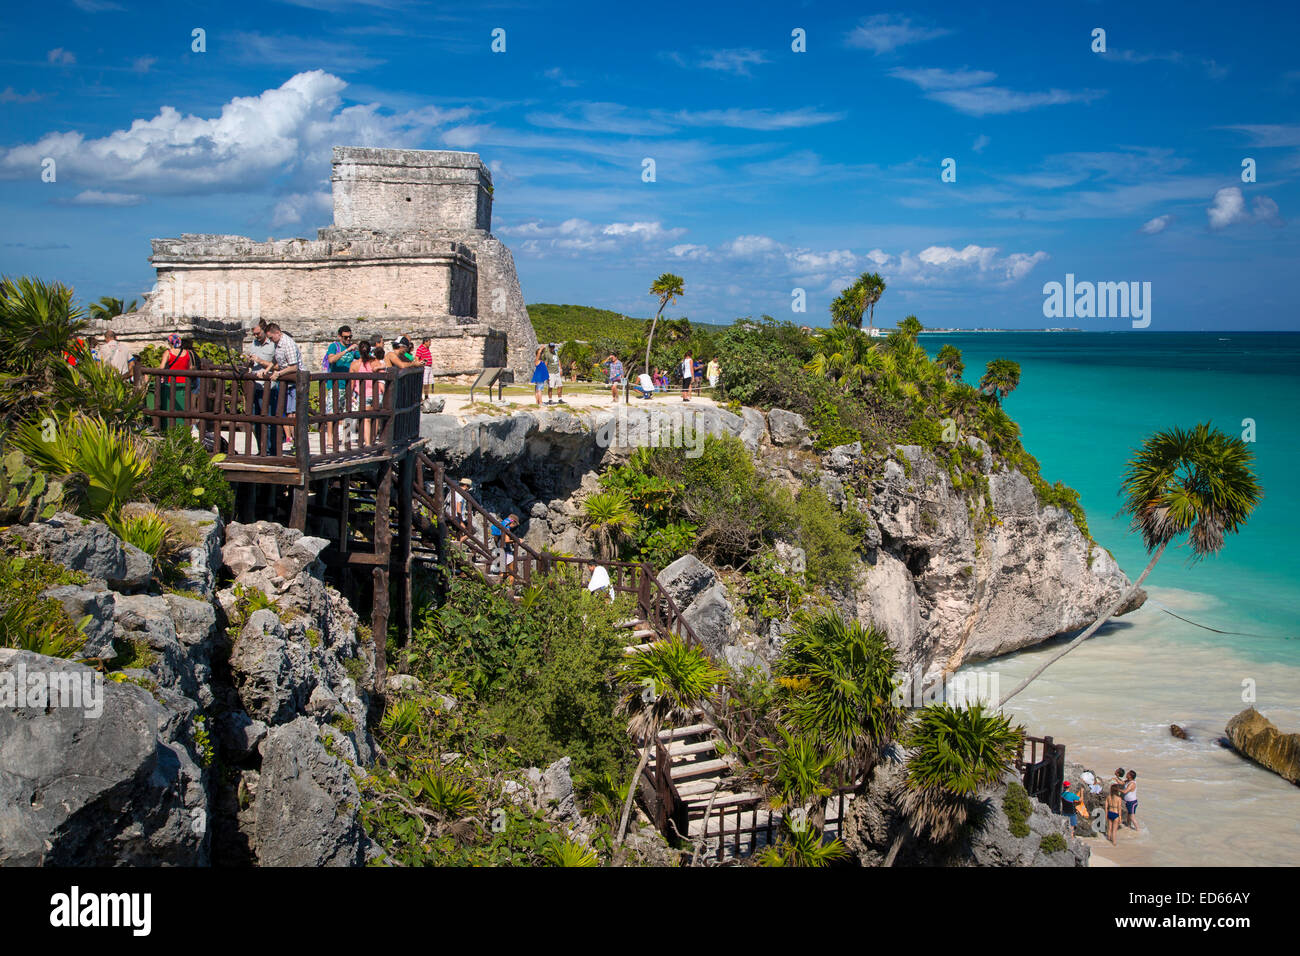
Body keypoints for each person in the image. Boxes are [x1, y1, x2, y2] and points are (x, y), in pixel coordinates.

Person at [265, 323, 301, 452]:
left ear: (278, 333)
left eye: (271, 338)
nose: (270, 341)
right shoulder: (278, 343)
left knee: (294, 413)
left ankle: (297, 442)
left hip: (295, 382)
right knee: (286, 412)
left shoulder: (288, 344)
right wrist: (267, 370)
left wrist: (279, 373)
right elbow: (276, 360)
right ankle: (291, 440)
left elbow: (294, 366)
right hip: (285, 382)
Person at [244, 322, 279, 454]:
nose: (256, 336)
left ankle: (271, 450)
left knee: (269, 420)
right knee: (255, 421)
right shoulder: (254, 343)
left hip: (268, 387)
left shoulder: (273, 344)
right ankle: (261, 449)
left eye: (258, 333)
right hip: (255, 386)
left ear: (264, 330)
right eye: (254, 334)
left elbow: (278, 366)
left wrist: (260, 361)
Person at [349, 342, 386, 445]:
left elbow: (351, 382)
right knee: (375, 418)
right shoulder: (376, 363)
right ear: (370, 350)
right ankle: (373, 439)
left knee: (366, 420)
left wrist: (351, 395)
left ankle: (368, 443)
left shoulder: (355, 365)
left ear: (359, 351)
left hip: (363, 394)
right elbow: (383, 375)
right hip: (376, 394)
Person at [160, 333, 193, 417]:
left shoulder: (168, 352)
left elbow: (161, 367)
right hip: (185, 383)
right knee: (185, 404)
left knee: (172, 405)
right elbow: (190, 367)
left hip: (171, 382)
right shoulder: (187, 353)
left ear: (170, 343)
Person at [489, 514, 520, 585]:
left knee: (501, 571)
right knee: (513, 572)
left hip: (499, 550)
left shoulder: (500, 526)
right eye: (515, 525)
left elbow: (496, 539)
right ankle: (508, 588)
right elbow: (506, 540)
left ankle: (498, 587)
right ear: (513, 522)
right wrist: (517, 540)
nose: (514, 527)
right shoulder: (507, 527)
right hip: (506, 551)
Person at [450, 476, 473, 541]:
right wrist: (461, 521)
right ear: (466, 486)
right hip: (457, 517)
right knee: (471, 531)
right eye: (468, 487)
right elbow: (458, 509)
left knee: (460, 532)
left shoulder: (453, 491)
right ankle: (457, 542)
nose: (468, 489)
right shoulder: (460, 494)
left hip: (450, 514)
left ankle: (457, 541)